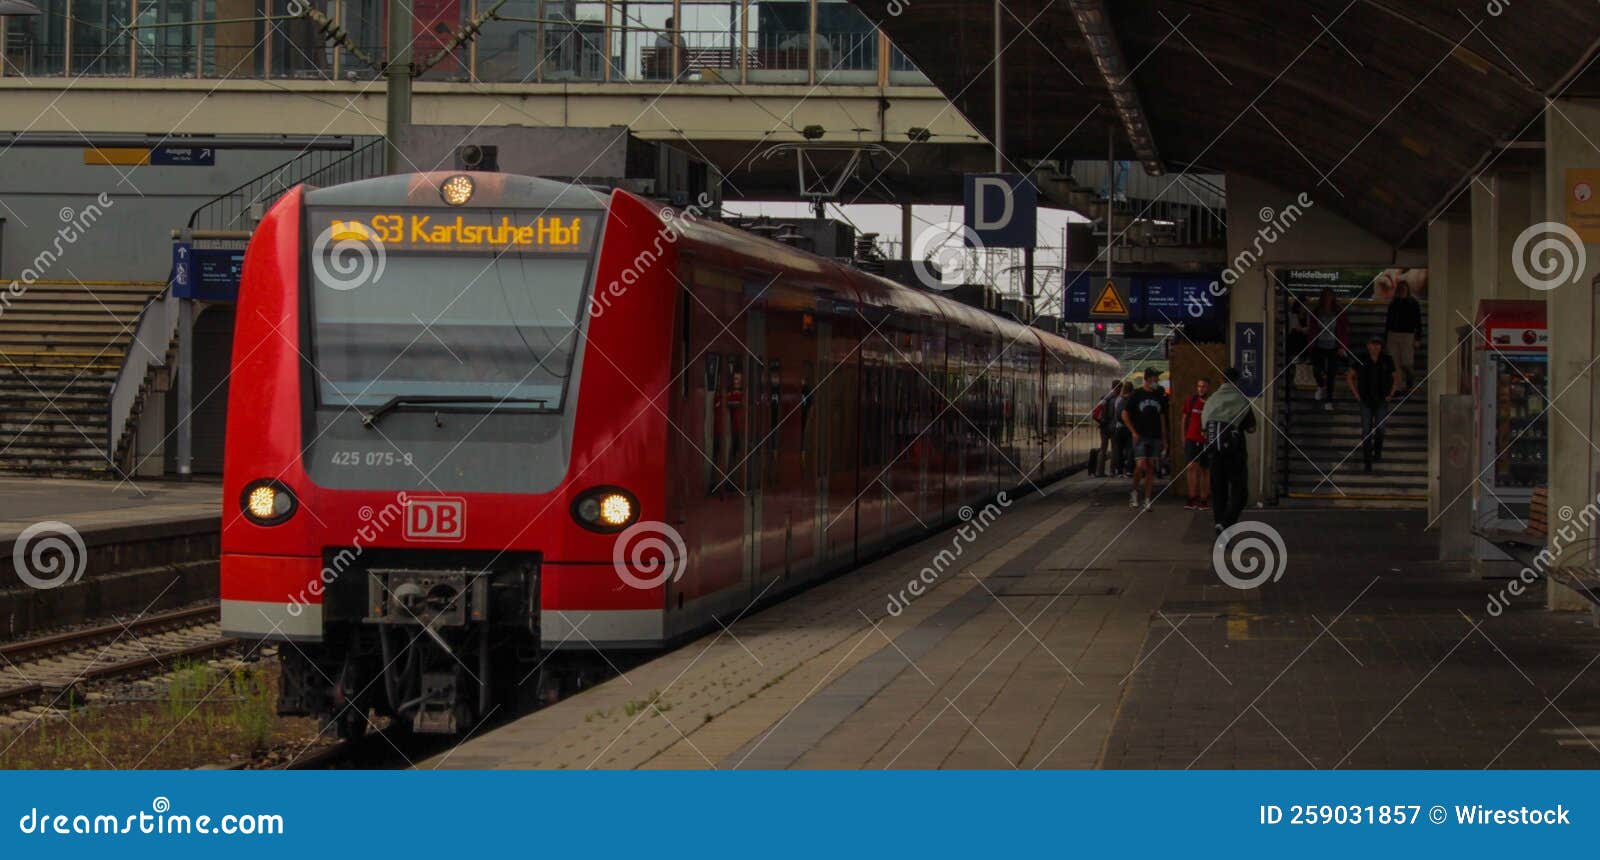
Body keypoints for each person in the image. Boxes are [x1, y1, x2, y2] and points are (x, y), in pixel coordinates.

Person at [1202, 367, 1256, 533]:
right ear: (1237, 381)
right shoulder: (1241, 400)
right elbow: (1252, 428)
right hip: (1235, 453)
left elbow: (1204, 428)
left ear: (1221, 380)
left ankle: (1219, 524)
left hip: (1214, 453)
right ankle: (1226, 523)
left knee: (1219, 491)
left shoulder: (1211, 400)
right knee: (1240, 493)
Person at [1346, 335, 1402, 472]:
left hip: (1382, 399)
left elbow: (1396, 377)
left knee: (1380, 429)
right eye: (1373, 344)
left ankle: (1377, 452)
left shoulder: (1387, 359)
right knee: (1366, 430)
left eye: (1378, 344)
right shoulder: (1361, 358)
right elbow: (1349, 376)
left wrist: (1391, 393)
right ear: (1368, 345)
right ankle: (1367, 461)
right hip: (1365, 400)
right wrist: (1356, 394)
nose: (1375, 347)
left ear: (1381, 346)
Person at [1120, 368, 1168, 511]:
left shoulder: (1159, 396)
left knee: (1151, 467)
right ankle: (1134, 491)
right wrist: (1133, 432)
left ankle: (1147, 499)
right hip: (1141, 436)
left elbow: (1162, 417)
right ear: (1148, 378)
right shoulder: (1137, 394)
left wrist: (1164, 438)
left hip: (1155, 436)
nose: (1157, 380)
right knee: (1141, 465)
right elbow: (1124, 414)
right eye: (1155, 378)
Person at [1306, 287, 1348, 411]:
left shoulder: (1338, 311)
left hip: (1333, 347)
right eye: (1326, 296)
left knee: (1331, 375)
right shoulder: (1316, 311)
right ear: (1322, 298)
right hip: (1318, 346)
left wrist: (1342, 346)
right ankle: (1320, 385)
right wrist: (1311, 344)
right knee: (1316, 370)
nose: (1328, 299)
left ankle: (1329, 400)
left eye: (1330, 296)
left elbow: (1343, 330)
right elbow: (1312, 328)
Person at [1180, 378, 1211, 511]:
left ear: (1208, 388)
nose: (1201, 389)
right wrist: (1183, 437)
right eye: (1199, 386)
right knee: (1191, 467)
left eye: (1203, 386)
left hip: (1206, 440)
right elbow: (1184, 419)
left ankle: (1203, 499)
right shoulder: (1191, 401)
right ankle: (1192, 498)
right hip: (1191, 438)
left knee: (1205, 469)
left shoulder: (1211, 403)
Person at [1384, 281, 1422, 390]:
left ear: (1407, 290)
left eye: (1403, 289)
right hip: (1393, 334)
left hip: (1407, 334)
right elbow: (1388, 321)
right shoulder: (1393, 303)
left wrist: (1418, 338)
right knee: (1394, 362)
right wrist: (1386, 338)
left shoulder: (1413, 303)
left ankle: (1410, 379)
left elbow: (1418, 322)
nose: (1401, 291)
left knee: (1407, 362)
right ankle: (1398, 386)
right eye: (1400, 289)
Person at [1094, 381, 1120, 477]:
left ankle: (1099, 471)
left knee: (1103, 449)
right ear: (1118, 388)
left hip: (1103, 427)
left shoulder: (1104, 398)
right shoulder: (1117, 399)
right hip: (1113, 427)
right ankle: (1112, 471)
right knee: (1114, 449)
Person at [1110, 381, 1133, 478]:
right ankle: (1129, 470)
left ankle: (1119, 471)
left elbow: (1115, 413)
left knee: (1119, 449)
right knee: (1130, 448)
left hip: (1118, 427)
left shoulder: (1118, 399)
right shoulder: (1132, 399)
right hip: (1129, 427)